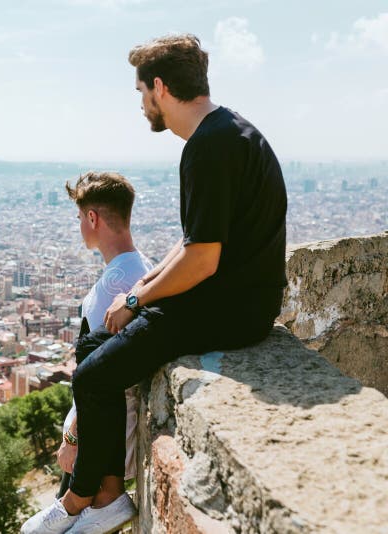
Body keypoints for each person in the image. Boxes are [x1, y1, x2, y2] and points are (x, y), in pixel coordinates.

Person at [22, 33, 287, 534]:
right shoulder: (230, 133)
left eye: (142, 91)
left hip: (225, 311)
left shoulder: (209, 148)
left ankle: (84, 499)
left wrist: (138, 297)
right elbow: (194, 242)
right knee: (96, 345)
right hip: (239, 301)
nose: (143, 103)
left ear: (160, 88)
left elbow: (203, 261)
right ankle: (102, 494)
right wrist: (140, 288)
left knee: (93, 375)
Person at [54, 172, 152, 520]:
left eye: (80, 217)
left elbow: (103, 373)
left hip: (97, 445)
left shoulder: (117, 285)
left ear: (93, 218)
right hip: (108, 438)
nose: (80, 225)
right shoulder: (142, 271)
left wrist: (73, 439)